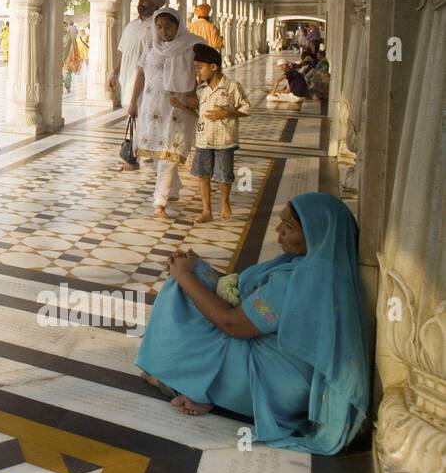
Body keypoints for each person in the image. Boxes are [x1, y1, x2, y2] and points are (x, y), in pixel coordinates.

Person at [135, 193, 369, 456]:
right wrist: (199, 270)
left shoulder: (297, 281)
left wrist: (183, 274)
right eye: (282, 222)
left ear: (317, 236)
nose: (279, 231)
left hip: (275, 388)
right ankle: (204, 388)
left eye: (289, 227)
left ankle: (179, 381)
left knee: (186, 297)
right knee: (199, 282)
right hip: (295, 382)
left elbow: (232, 324)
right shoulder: (327, 268)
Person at [132, 7, 198, 218]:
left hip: (176, 108)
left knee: (169, 152)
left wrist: (195, 94)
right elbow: (140, 74)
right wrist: (133, 102)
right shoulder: (151, 45)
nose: (164, 31)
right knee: (156, 152)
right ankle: (175, 189)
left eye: (168, 27)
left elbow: (204, 72)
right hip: (151, 107)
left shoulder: (191, 46)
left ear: (178, 26)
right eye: (159, 27)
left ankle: (159, 202)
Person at [175, 44, 250, 223]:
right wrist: (182, 106)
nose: (197, 72)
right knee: (203, 174)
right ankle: (207, 210)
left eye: (199, 67)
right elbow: (199, 114)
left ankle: (224, 203)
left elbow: (246, 108)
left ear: (213, 67)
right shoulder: (201, 90)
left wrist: (226, 113)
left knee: (224, 175)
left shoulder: (232, 87)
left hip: (225, 140)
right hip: (203, 140)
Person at [111, 0, 166, 171]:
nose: (140, 3)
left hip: (146, 81)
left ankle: (140, 158)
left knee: (145, 116)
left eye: (145, 0)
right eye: (140, 0)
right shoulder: (133, 25)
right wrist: (115, 72)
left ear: (154, 4)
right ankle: (138, 156)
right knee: (136, 116)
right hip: (128, 80)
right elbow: (123, 51)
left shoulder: (157, 26)